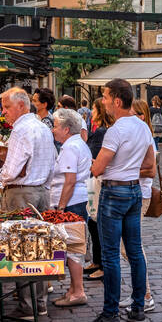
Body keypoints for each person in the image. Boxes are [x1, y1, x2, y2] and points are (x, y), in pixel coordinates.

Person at [83, 78, 156, 322]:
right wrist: (131, 167)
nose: (103, 102)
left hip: (114, 192)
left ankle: (110, 313)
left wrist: (93, 163)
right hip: (134, 190)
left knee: (111, 254)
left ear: (116, 100)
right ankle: (137, 308)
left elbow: (98, 167)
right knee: (135, 251)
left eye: (104, 97)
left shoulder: (116, 130)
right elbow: (149, 163)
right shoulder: (142, 126)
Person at [0, 87, 58, 319]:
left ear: (21, 106)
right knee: (38, 249)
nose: (3, 112)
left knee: (20, 248)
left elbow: (13, 168)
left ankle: (27, 305)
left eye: (7, 107)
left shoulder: (21, 130)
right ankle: (39, 302)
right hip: (41, 192)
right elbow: (52, 163)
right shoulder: (43, 127)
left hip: (22, 193)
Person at [50, 108, 93, 309]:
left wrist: (60, 207)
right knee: (74, 246)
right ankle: (74, 289)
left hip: (71, 202)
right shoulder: (79, 144)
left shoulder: (69, 147)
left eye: (56, 126)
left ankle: (77, 291)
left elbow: (69, 181)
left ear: (67, 129)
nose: (53, 130)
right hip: (78, 200)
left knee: (73, 248)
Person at [126, 100, 159, 312]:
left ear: (142, 116)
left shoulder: (146, 136)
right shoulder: (136, 134)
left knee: (132, 246)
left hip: (141, 194)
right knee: (128, 245)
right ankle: (139, 292)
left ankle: (145, 294)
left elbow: (150, 171)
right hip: (132, 192)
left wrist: (123, 170)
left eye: (134, 114)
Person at [83, 99, 114, 282]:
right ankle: (96, 261)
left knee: (96, 222)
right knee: (93, 223)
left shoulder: (102, 132)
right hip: (95, 180)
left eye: (93, 109)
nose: (91, 112)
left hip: (98, 181)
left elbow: (96, 158)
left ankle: (102, 265)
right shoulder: (100, 130)